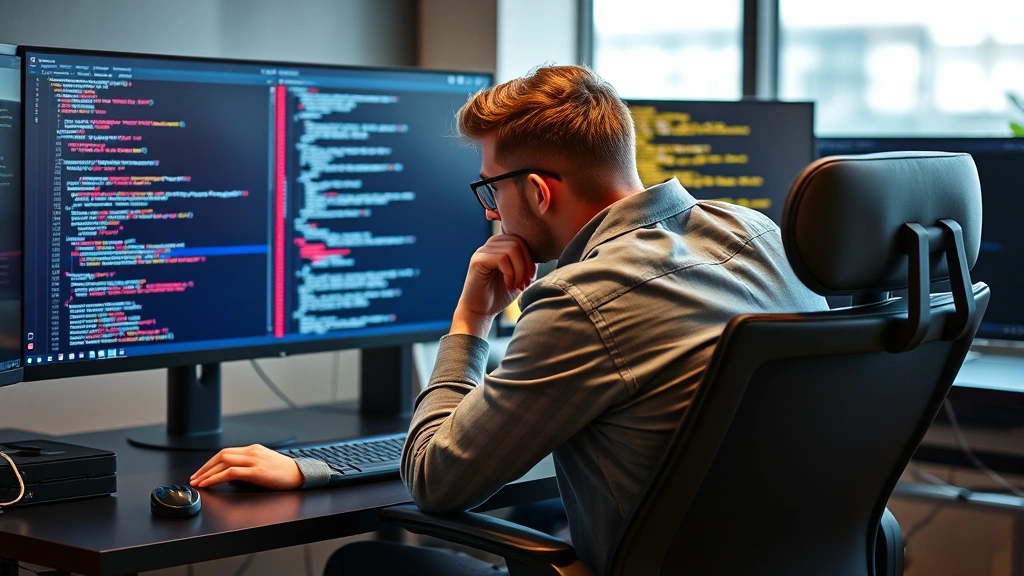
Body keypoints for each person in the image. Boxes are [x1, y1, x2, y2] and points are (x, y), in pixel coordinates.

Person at [190, 64, 829, 575]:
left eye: (491, 189)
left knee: (367, 563)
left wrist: (471, 319)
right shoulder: (758, 232)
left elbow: (437, 482)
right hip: (803, 557)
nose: (491, 212)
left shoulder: (585, 297)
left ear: (539, 192)